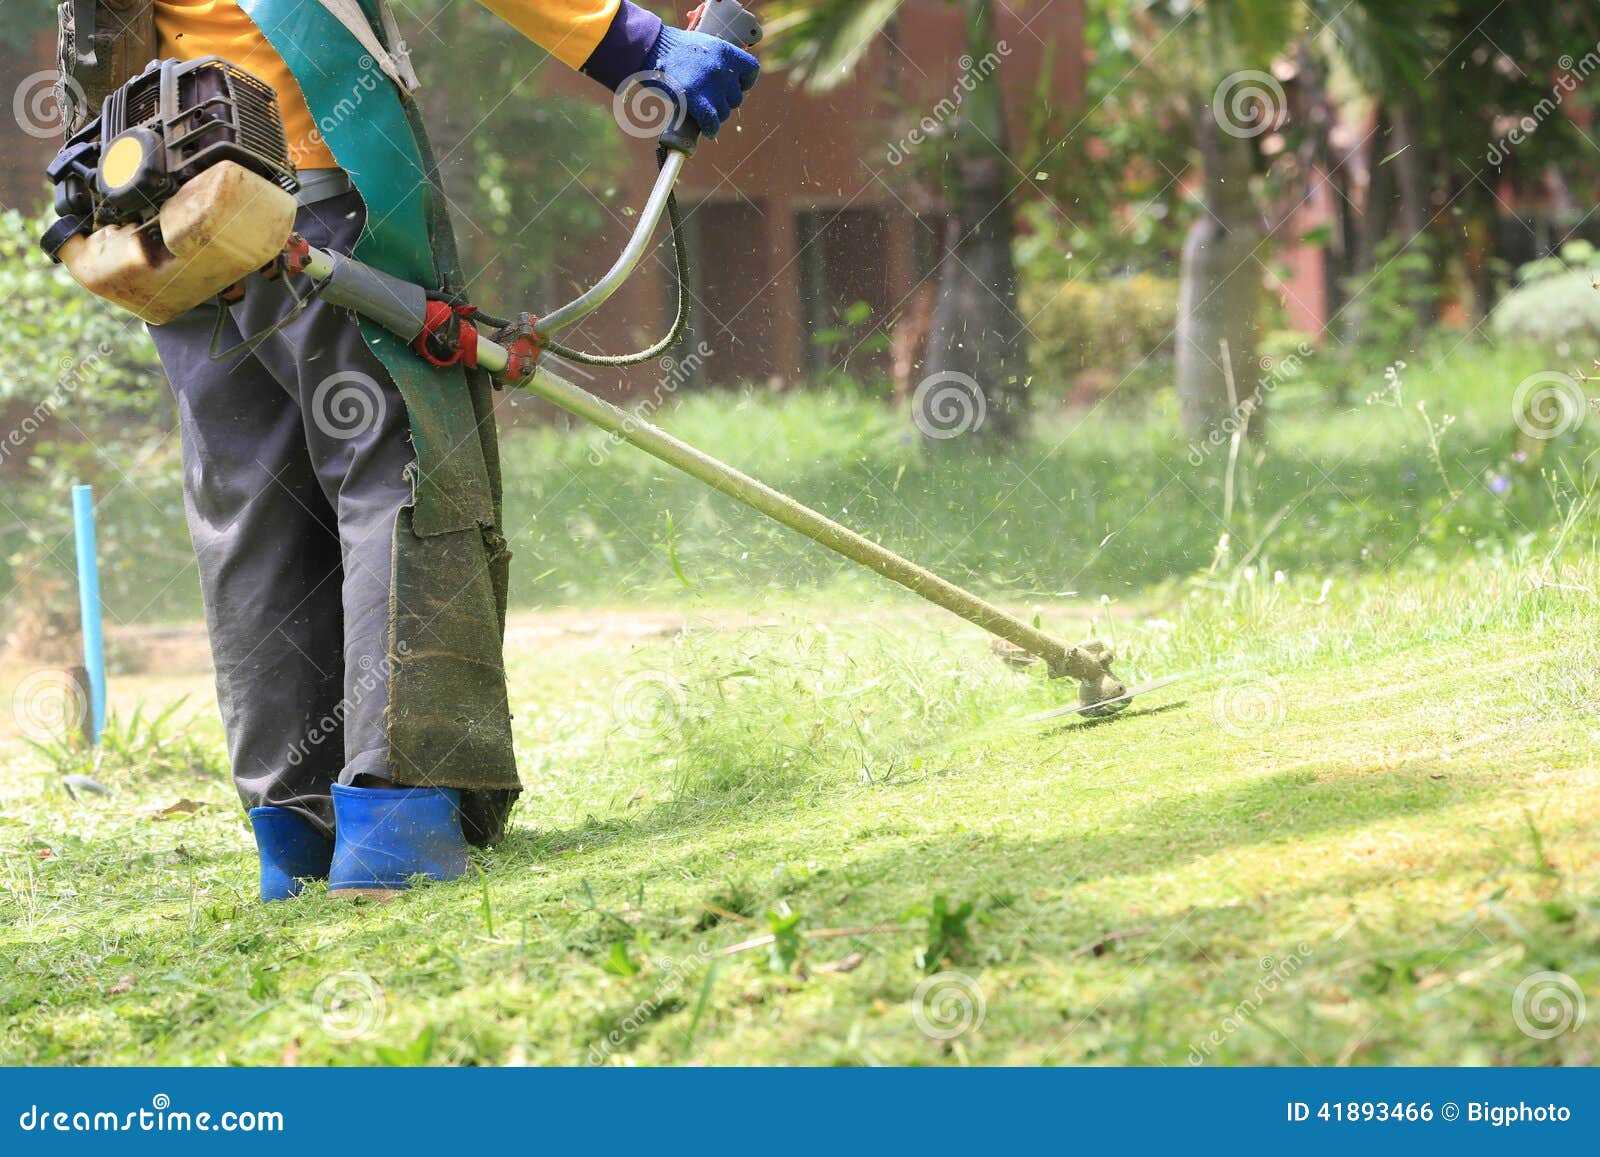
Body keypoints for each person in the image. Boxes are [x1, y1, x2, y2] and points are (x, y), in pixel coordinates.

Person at [55, 0, 758, 901]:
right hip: (301, 186)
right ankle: (399, 821)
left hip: (170, 207)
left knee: (256, 512)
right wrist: (639, 45)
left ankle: (295, 840)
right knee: (399, 469)